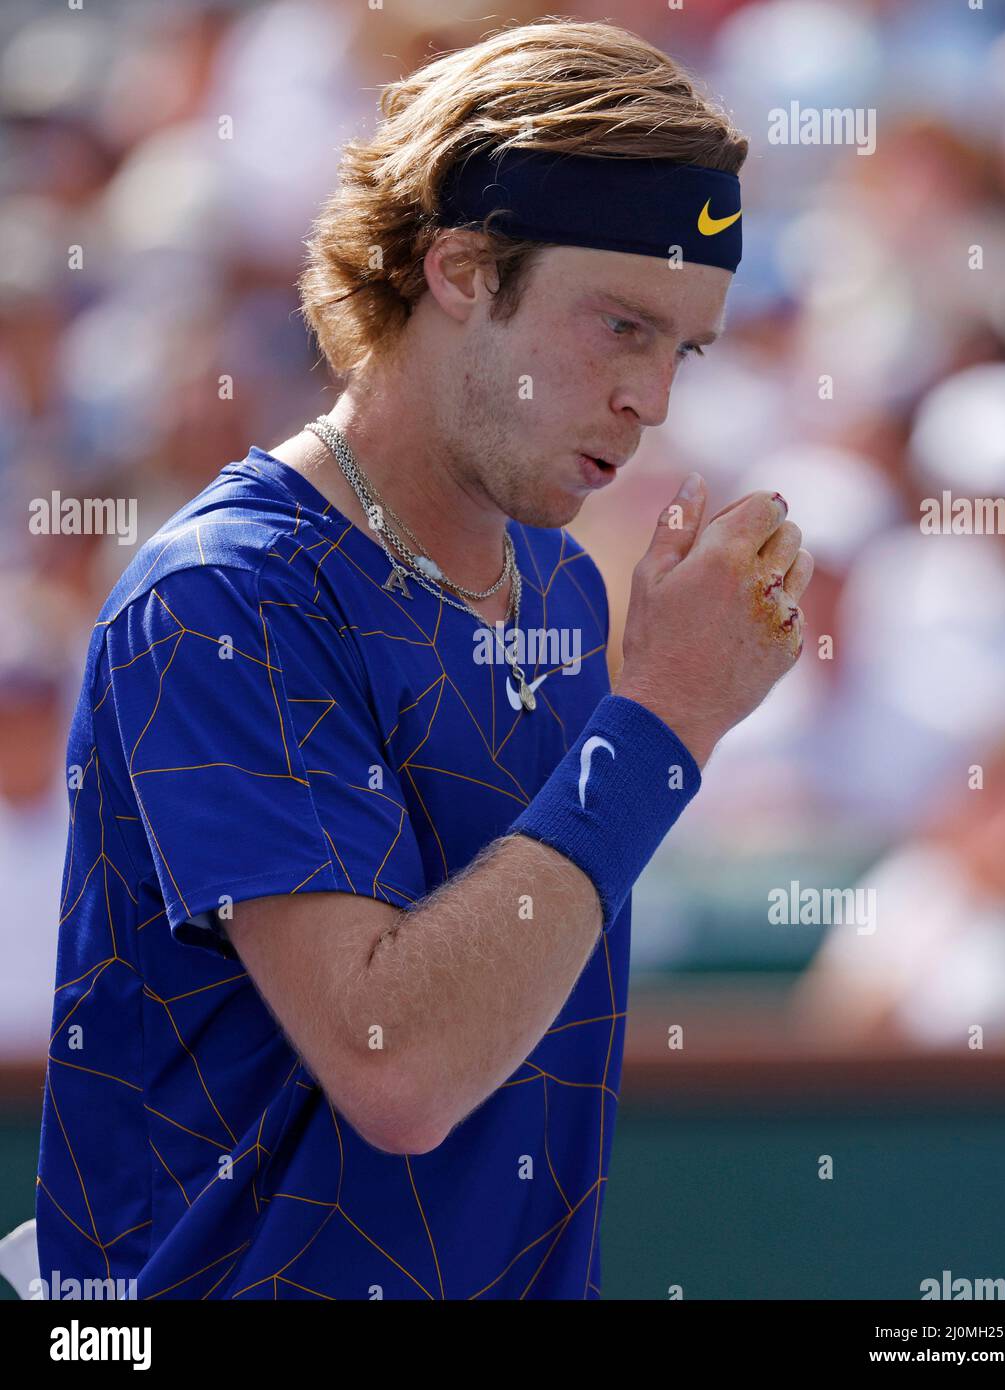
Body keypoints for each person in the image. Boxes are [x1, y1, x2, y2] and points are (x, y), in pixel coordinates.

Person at [36, 18, 812, 1300]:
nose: (653, 397)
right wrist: (667, 717)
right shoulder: (225, 598)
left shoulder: (559, 581)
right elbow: (396, 1066)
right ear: (458, 269)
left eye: (683, 347)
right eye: (620, 326)